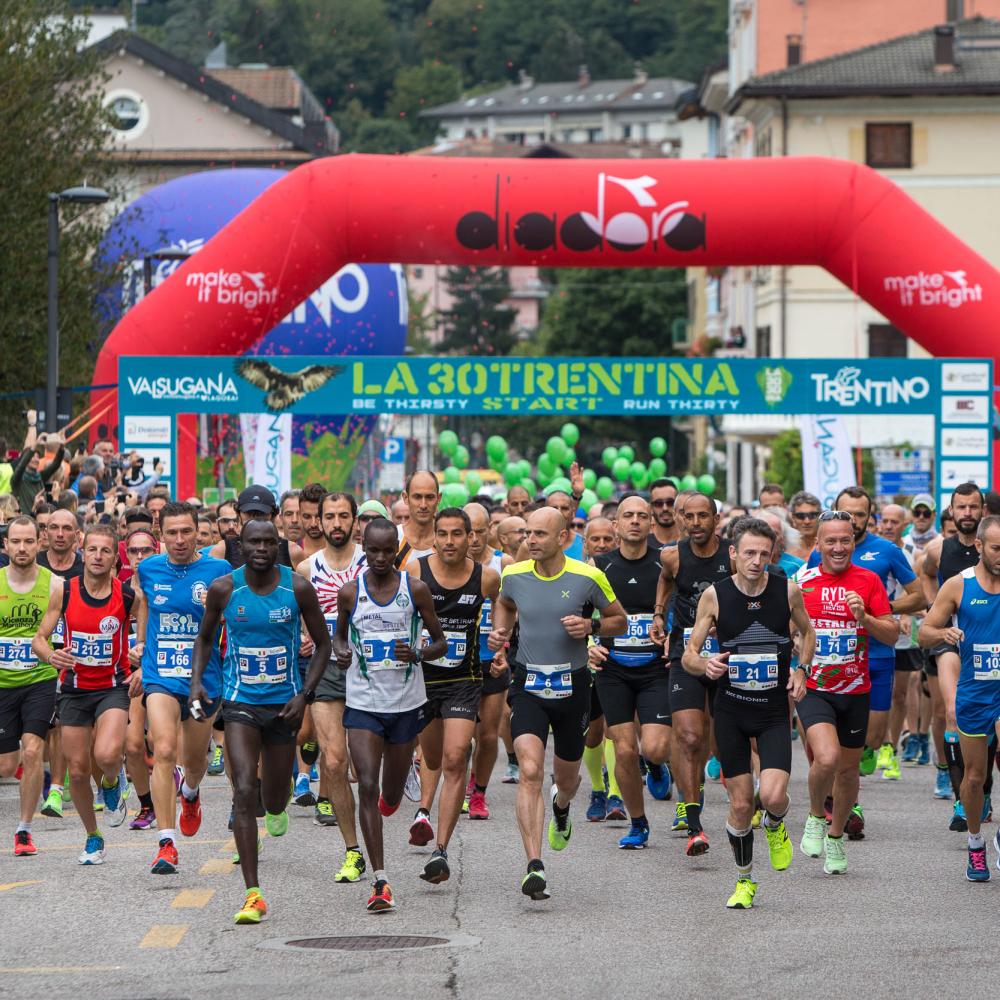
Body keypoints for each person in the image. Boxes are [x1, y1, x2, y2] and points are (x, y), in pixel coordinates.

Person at [189, 519, 331, 924]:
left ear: (278, 545)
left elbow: (323, 645)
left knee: (274, 798)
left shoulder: (297, 588)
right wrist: (196, 683)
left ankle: (276, 802)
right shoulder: (224, 589)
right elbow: (204, 639)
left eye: (269, 542)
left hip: (284, 706)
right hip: (240, 703)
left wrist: (305, 695)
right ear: (241, 545)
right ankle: (253, 893)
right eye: (254, 542)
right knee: (243, 790)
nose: (262, 548)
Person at [488, 507, 626, 900]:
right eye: (527, 533)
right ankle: (534, 864)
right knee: (530, 770)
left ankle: (561, 807)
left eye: (540, 534)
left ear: (564, 537)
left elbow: (619, 620)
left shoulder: (588, 577)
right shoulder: (514, 574)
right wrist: (501, 632)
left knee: (566, 780)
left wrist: (591, 626)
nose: (530, 540)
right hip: (528, 683)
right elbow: (505, 603)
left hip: (573, 688)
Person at [683, 517, 814, 907]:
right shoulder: (715, 596)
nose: (757, 561)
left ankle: (775, 824)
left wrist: (802, 670)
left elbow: (808, 632)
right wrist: (705, 664)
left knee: (772, 796)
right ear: (733, 553)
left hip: (772, 710)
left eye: (764, 554)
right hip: (730, 712)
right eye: (750, 553)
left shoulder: (787, 590)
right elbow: (689, 655)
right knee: (741, 804)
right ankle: (744, 880)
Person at [333, 516, 446, 912]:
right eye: (373, 551)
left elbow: (440, 643)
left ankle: (398, 787)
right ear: (363, 549)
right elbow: (339, 636)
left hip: (405, 705)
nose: (380, 558)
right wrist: (341, 651)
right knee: (366, 783)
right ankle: (380, 880)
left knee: (390, 795)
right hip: (363, 704)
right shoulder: (350, 593)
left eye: (387, 551)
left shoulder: (415, 590)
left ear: (396, 550)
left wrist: (417, 653)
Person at [804, 486, 924, 836]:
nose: (854, 520)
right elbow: (805, 604)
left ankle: (846, 782)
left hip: (876, 655)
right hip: (829, 664)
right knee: (828, 748)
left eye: (860, 514)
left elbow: (919, 597)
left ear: (869, 517)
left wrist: (877, 608)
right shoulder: (820, 555)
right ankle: (839, 804)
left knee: (870, 739)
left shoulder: (887, 551)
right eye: (848, 512)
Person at [129, 501, 232, 875]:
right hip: (161, 675)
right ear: (160, 535)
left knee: (195, 760)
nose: (179, 539)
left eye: (186, 531)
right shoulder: (148, 568)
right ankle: (165, 843)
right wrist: (141, 643)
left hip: (204, 679)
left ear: (199, 533)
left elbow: (232, 617)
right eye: (171, 532)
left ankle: (190, 792)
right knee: (164, 749)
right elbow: (144, 604)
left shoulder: (219, 571)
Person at [795, 511, 897, 875]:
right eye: (831, 541)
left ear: (853, 543)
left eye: (845, 540)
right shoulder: (802, 582)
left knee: (849, 771)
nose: (838, 547)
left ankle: (836, 837)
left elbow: (892, 634)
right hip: (815, 688)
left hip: (855, 690)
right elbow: (784, 627)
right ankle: (814, 817)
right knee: (826, 758)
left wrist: (865, 619)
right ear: (818, 544)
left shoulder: (869, 581)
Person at [31, 524, 136, 864]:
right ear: (82, 551)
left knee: (106, 754)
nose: (98, 556)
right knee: (76, 771)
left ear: (114, 557)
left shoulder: (127, 595)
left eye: (106, 551)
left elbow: (150, 631)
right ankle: (93, 836)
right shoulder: (65, 590)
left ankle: (111, 782)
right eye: (92, 549)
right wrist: (51, 656)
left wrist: (142, 659)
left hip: (112, 686)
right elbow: (39, 639)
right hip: (74, 689)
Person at [406, 508, 499, 882]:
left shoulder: (486, 578)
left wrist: (502, 639)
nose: (449, 541)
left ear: (470, 537)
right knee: (431, 756)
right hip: (422, 680)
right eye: (442, 534)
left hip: (464, 679)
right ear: (433, 537)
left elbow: (506, 606)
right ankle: (419, 791)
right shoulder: (415, 571)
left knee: (456, 756)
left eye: (457, 534)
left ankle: (440, 850)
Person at [919, 515, 1000, 880]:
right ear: (979, 546)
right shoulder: (958, 585)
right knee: (975, 777)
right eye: (996, 548)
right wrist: (944, 635)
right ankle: (975, 844)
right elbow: (924, 633)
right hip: (974, 693)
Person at [590, 496, 674, 849]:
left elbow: (683, 606)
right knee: (624, 750)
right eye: (628, 516)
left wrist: (673, 637)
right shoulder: (600, 565)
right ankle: (638, 823)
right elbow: (580, 610)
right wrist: (589, 644)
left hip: (655, 669)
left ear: (652, 524)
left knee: (655, 748)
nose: (635, 521)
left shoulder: (664, 562)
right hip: (613, 669)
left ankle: (654, 764)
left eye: (642, 516)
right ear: (616, 525)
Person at [651, 491, 732, 850]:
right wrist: (659, 613)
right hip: (685, 654)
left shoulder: (732, 556)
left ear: (716, 519)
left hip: (726, 656)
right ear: (682, 519)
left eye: (703, 516)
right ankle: (693, 819)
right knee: (688, 736)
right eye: (690, 516)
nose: (696, 523)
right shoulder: (672, 556)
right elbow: (666, 580)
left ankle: (743, 794)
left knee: (721, 740)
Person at [296, 491, 368, 880]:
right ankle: (352, 850)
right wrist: (306, 636)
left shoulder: (370, 562)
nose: (336, 523)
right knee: (335, 761)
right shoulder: (307, 568)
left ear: (355, 520)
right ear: (319, 521)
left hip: (370, 670)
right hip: (326, 669)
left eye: (343, 516)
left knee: (367, 770)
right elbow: (300, 617)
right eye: (329, 516)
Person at [921, 482, 989, 828]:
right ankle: (961, 796)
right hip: (950, 637)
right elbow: (926, 574)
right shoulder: (938, 549)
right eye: (961, 507)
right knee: (950, 710)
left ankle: (980, 788)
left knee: (986, 722)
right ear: (950, 511)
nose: (967, 513)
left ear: (983, 510)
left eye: (973, 507)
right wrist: (934, 607)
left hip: (986, 639)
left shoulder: (992, 546)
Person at [0, 516, 59, 856]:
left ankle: (23, 831)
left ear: (40, 543)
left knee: (34, 749)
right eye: (16, 541)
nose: (22, 548)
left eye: (28, 541)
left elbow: (54, 633)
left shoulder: (54, 585)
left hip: (40, 679)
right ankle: (26, 771)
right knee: (7, 767)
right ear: (5, 545)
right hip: (3, 683)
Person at [464, 502, 506, 818]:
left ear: (490, 528)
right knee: (462, 737)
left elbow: (514, 608)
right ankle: (459, 784)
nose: (475, 539)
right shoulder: (450, 565)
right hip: (459, 663)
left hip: (492, 660)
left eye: (481, 531)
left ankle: (478, 792)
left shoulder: (504, 564)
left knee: (489, 735)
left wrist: (505, 642)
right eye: (470, 532)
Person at [879, 503, 926, 773]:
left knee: (898, 695)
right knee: (876, 692)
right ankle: (874, 744)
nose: (888, 526)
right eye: (884, 520)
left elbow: (917, 594)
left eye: (894, 522)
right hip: (875, 630)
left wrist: (906, 615)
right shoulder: (869, 550)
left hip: (902, 635)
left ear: (904, 524)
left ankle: (891, 749)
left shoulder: (912, 553)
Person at [210, 485, 304, 568]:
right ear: (239, 514)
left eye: (261, 513)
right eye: (249, 513)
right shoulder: (222, 550)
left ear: (273, 515)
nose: (255, 518)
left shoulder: (292, 551)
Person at [395, 472, 439, 566]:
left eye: (429, 497)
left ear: (438, 498)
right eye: (417, 497)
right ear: (405, 498)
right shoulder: (393, 537)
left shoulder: (447, 542)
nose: (423, 505)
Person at [37, 507, 83, 578]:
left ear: (76, 535)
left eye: (67, 528)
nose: (60, 534)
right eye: (54, 527)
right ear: (46, 533)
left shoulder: (85, 567)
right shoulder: (34, 564)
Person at [787, 491, 821, 562]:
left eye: (812, 515)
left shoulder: (829, 545)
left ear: (820, 516)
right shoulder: (786, 548)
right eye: (801, 516)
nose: (807, 521)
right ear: (793, 518)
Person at [297, 483, 326, 559]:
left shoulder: (341, 551)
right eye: (307, 517)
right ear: (299, 515)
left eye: (318, 516)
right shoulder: (291, 552)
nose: (313, 524)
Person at [649, 478, 680, 548]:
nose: (665, 508)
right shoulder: (643, 544)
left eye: (670, 502)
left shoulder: (691, 543)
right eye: (658, 503)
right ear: (651, 508)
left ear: (678, 504)